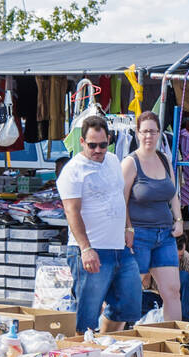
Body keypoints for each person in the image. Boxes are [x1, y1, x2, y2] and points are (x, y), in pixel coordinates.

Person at [59, 115, 142, 333]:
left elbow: (119, 197)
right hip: (90, 248)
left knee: (130, 306)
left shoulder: (114, 160)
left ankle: (105, 344)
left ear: (109, 141)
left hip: (119, 247)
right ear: (82, 143)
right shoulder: (73, 170)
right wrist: (86, 249)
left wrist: (128, 227)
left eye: (103, 145)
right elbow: (71, 211)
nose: (98, 150)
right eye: (93, 145)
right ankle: (83, 354)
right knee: (86, 314)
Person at [122, 111, 184, 322]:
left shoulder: (165, 159)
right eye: (145, 131)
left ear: (159, 134)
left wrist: (179, 220)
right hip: (139, 235)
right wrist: (127, 229)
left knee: (173, 291)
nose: (149, 136)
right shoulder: (130, 163)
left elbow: (173, 193)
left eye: (153, 131)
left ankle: (172, 341)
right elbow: (121, 201)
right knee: (129, 292)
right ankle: (111, 334)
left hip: (164, 235)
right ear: (137, 133)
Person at [144, 236, 189, 322]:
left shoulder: (186, 259)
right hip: (153, 298)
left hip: (176, 300)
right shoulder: (154, 255)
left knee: (184, 277)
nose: (177, 259)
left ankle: (183, 321)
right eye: (174, 256)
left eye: (180, 256)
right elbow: (144, 285)